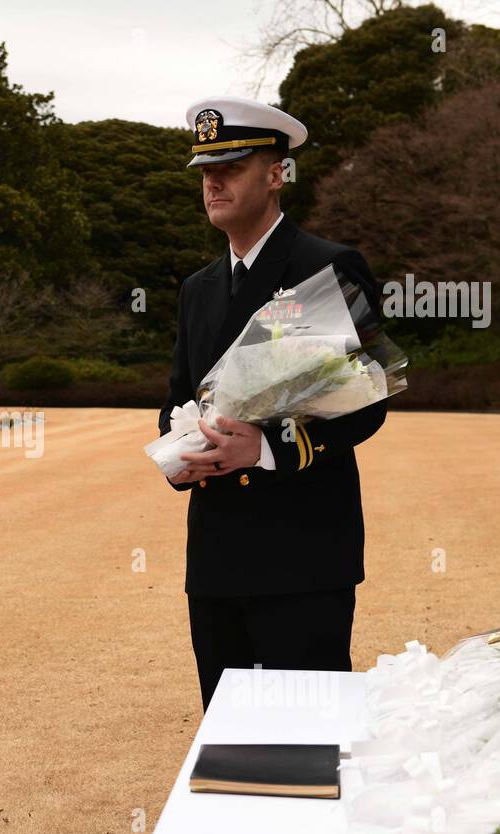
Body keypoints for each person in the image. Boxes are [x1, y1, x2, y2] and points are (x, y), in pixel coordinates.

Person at [158, 96, 389, 712]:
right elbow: (177, 398)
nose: (213, 180)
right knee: (230, 750)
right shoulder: (198, 290)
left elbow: (366, 403)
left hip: (302, 558)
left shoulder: (326, 266)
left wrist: (263, 448)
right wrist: (183, 449)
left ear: (277, 173)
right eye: (205, 169)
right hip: (216, 559)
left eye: (231, 166)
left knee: (304, 749)